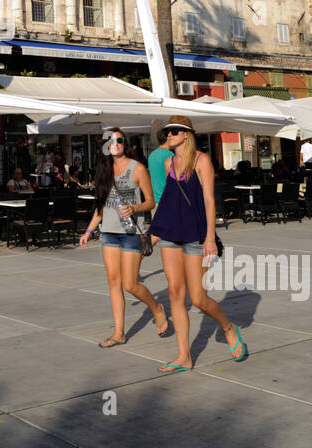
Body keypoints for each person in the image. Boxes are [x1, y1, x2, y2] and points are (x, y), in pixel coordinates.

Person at [146, 115, 247, 372]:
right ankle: (184, 356)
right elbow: (167, 204)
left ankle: (227, 327)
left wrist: (210, 237)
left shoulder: (202, 160)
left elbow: (209, 201)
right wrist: (153, 234)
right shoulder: (169, 162)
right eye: (167, 132)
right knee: (175, 295)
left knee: (199, 298)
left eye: (175, 132)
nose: (169, 135)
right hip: (170, 236)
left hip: (195, 237)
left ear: (187, 135)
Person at [78, 128, 166, 348]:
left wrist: (134, 207)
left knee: (130, 284)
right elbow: (100, 206)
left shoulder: (137, 168)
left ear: (124, 143)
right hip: (108, 233)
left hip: (130, 234)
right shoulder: (103, 171)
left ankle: (156, 308)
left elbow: (150, 202)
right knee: (113, 284)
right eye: (111, 140)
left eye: (119, 140)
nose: (115, 143)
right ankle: (119, 333)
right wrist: (89, 231)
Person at [148, 119, 185, 209]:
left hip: (155, 200)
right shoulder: (170, 156)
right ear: (168, 138)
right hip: (168, 201)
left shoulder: (151, 155)